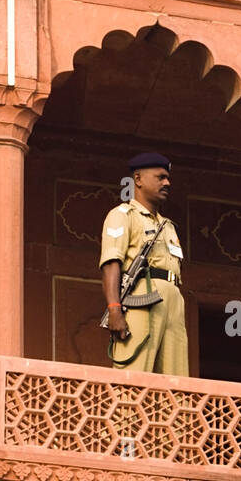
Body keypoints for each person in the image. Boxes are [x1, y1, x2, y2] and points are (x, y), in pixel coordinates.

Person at [99, 152, 188, 376]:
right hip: (142, 299)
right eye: (160, 177)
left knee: (176, 377)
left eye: (168, 178)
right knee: (135, 372)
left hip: (173, 300)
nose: (167, 183)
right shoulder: (123, 215)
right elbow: (111, 262)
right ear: (138, 179)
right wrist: (114, 309)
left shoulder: (167, 225)